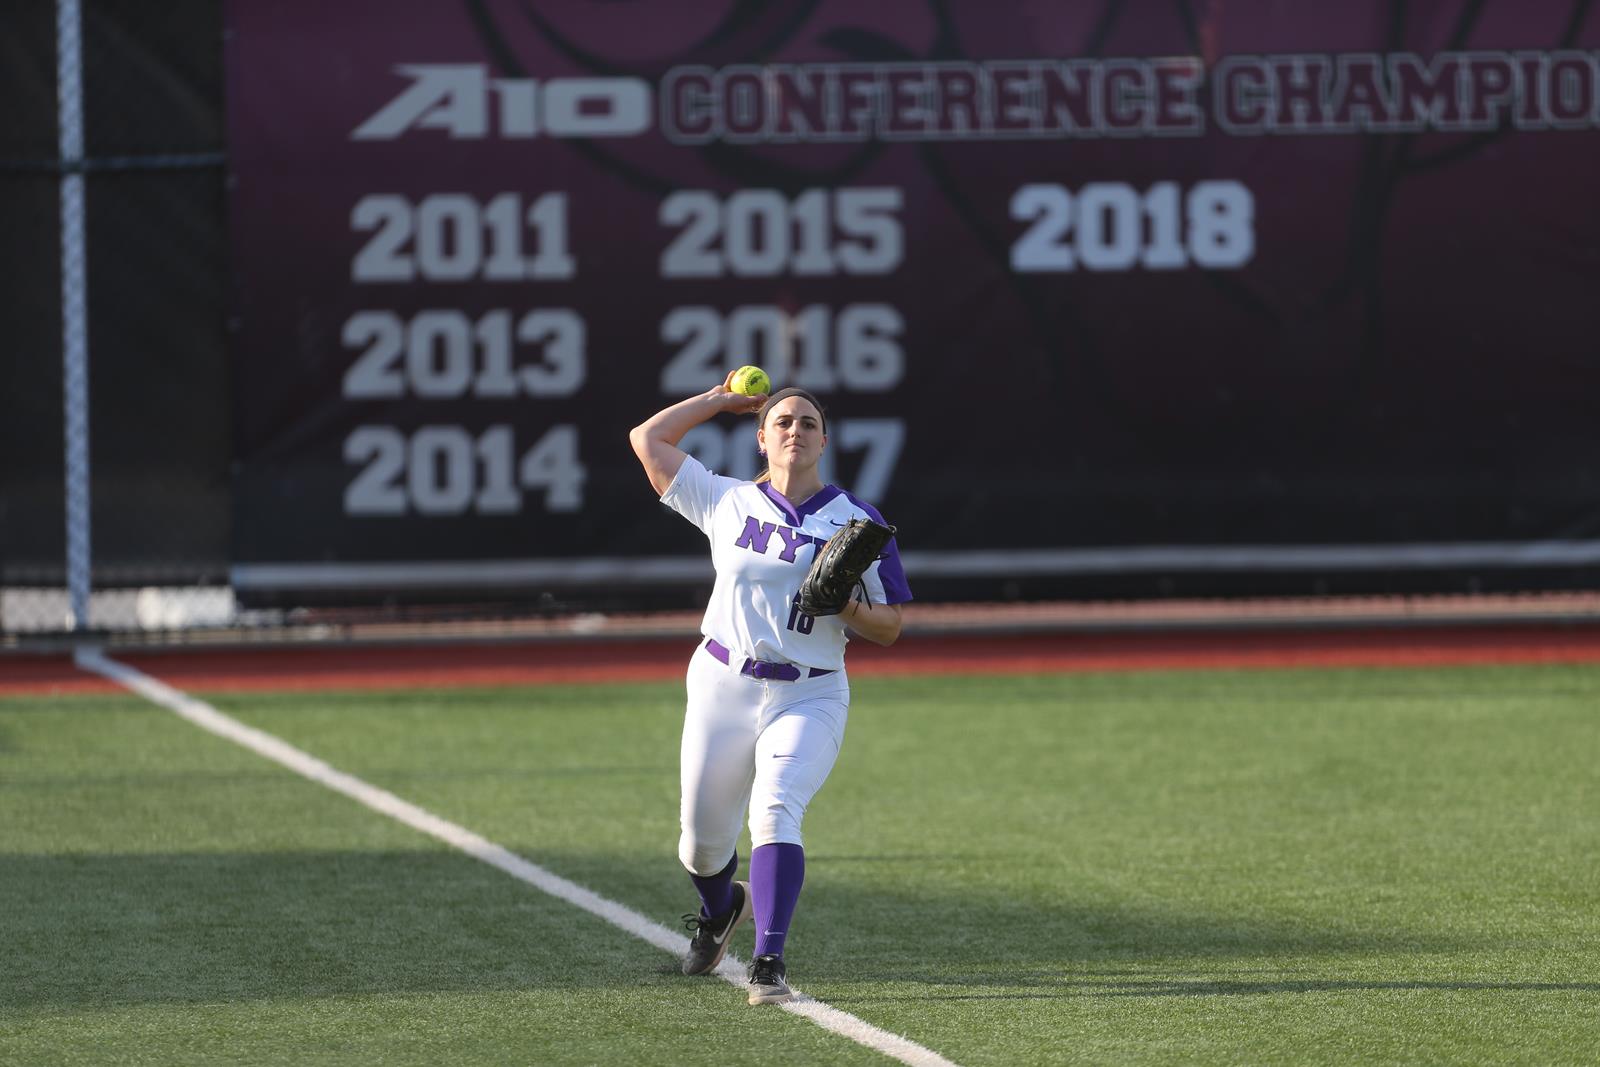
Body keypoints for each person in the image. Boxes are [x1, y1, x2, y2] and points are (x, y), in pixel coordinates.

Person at [628, 373, 912, 1005]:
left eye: (808, 423)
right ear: (761, 438)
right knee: (701, 844)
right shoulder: (725, 502)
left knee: (775, 809)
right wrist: (721, 401)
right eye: (783, 422)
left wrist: (846, 607)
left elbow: (891, 627)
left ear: (824, 441)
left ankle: (769, 960)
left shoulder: (857, 520)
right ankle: (720, 907)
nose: (795, 431)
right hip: (722, 683)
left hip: (809, 692)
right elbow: (648, 439)